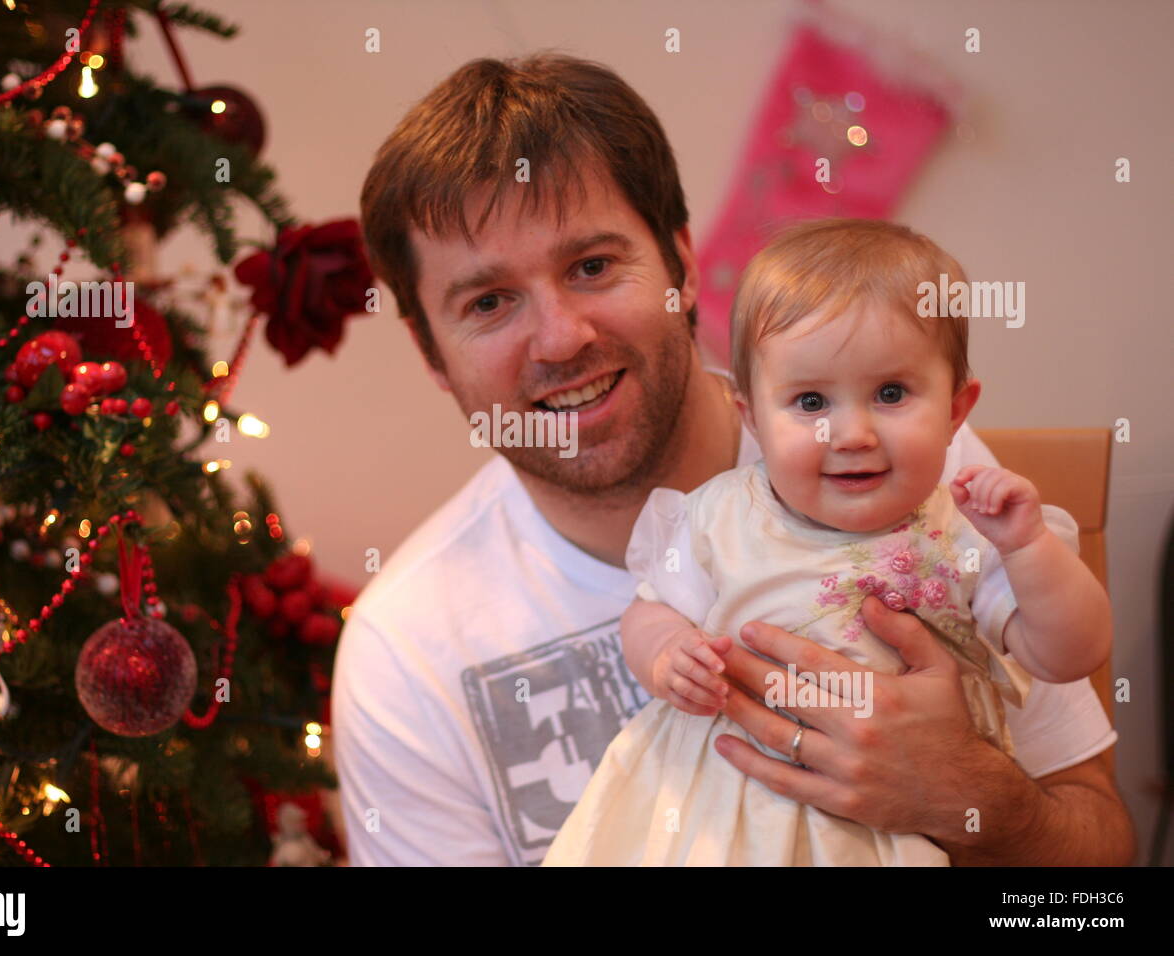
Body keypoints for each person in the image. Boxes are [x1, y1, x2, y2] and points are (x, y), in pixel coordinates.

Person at [334, 52, 1134, 866]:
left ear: (682, 266)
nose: (561, 337)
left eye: (593, 266)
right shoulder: (404, 656)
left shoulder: (908, 474)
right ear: (431, 352)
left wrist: (967, 794)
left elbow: (1095, 870)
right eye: (489, 301)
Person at [541, 219, 1114, 866]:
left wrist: (1030, 547)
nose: (851, 434)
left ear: (957, 409)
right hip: (714, 820)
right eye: (811, 401)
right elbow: (649, 610)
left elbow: (1071, 651)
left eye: (891, 393)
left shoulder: (964, 532)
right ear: (751, 414)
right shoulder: (717, 519)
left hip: (888, 830)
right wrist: (668, 652)